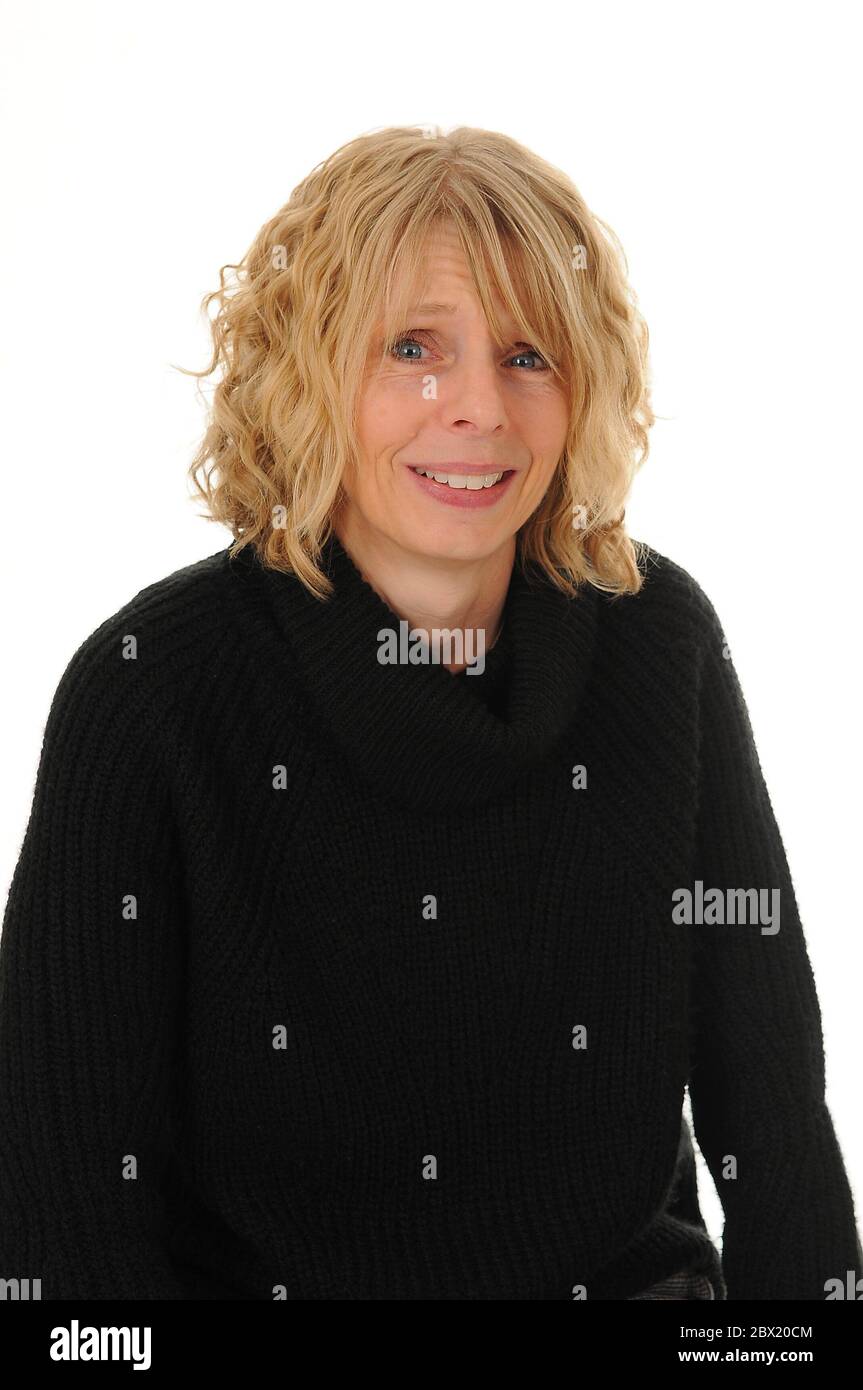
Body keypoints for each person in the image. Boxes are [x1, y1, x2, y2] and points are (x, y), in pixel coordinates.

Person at [1, 125, 859, 1301]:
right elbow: (67, 1209)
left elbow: (770, 1110)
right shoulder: (148, 688)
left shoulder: (658, 638)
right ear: (308, 370)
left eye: (527, 354)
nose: (478, 408)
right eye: (412, 348)